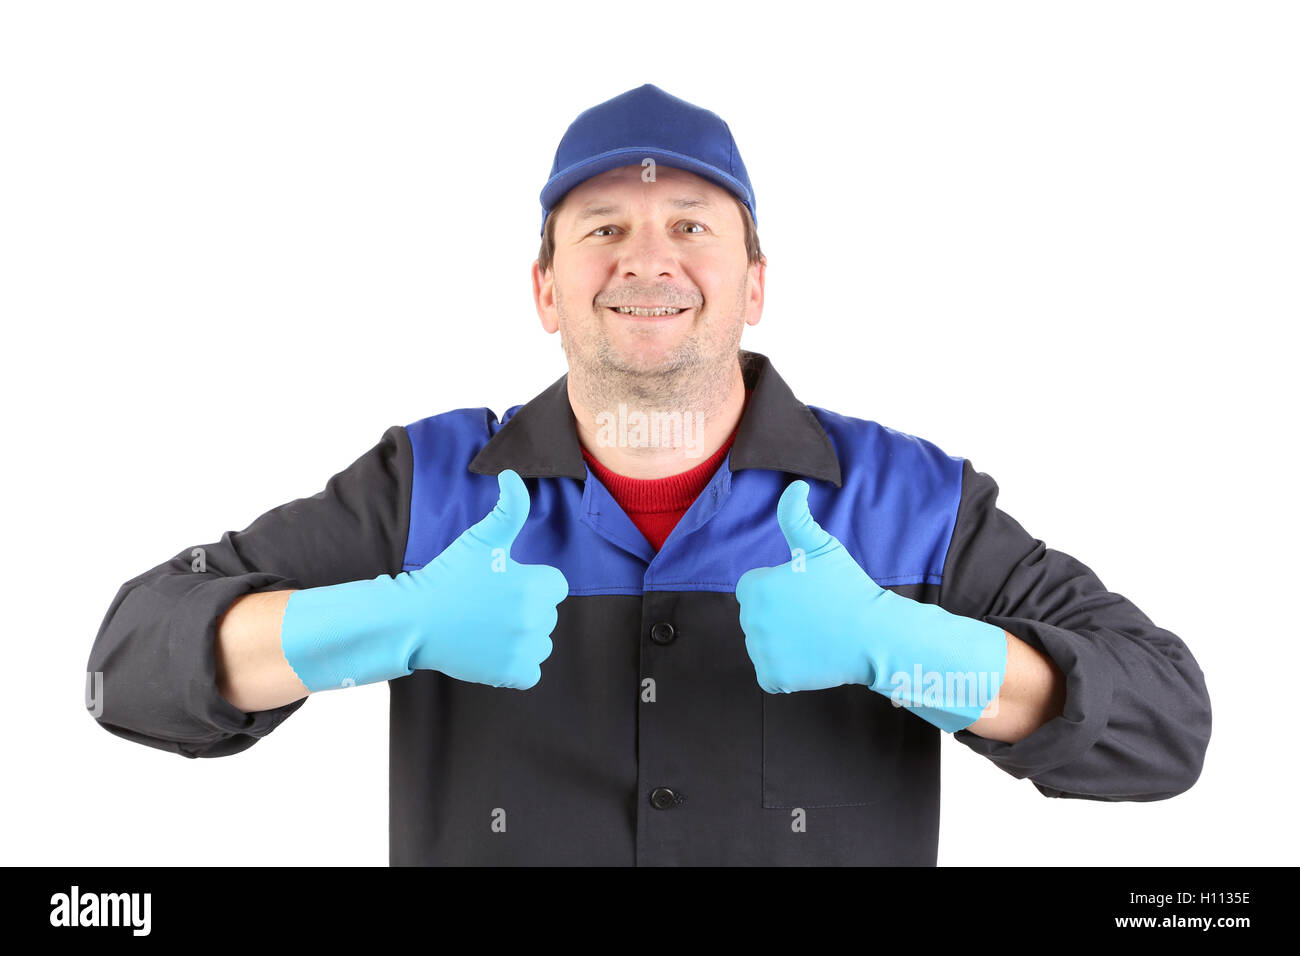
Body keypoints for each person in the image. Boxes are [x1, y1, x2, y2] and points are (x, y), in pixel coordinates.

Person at [86, 83, 1212, 866]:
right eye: (602, 228)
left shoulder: (905, 499)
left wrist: (908, 647)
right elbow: (130, 665)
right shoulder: (429, 485)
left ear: (754, 282)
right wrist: (388, 623)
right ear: (544, 290)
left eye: (690, 223)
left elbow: (1163, 730)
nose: (647, 257)